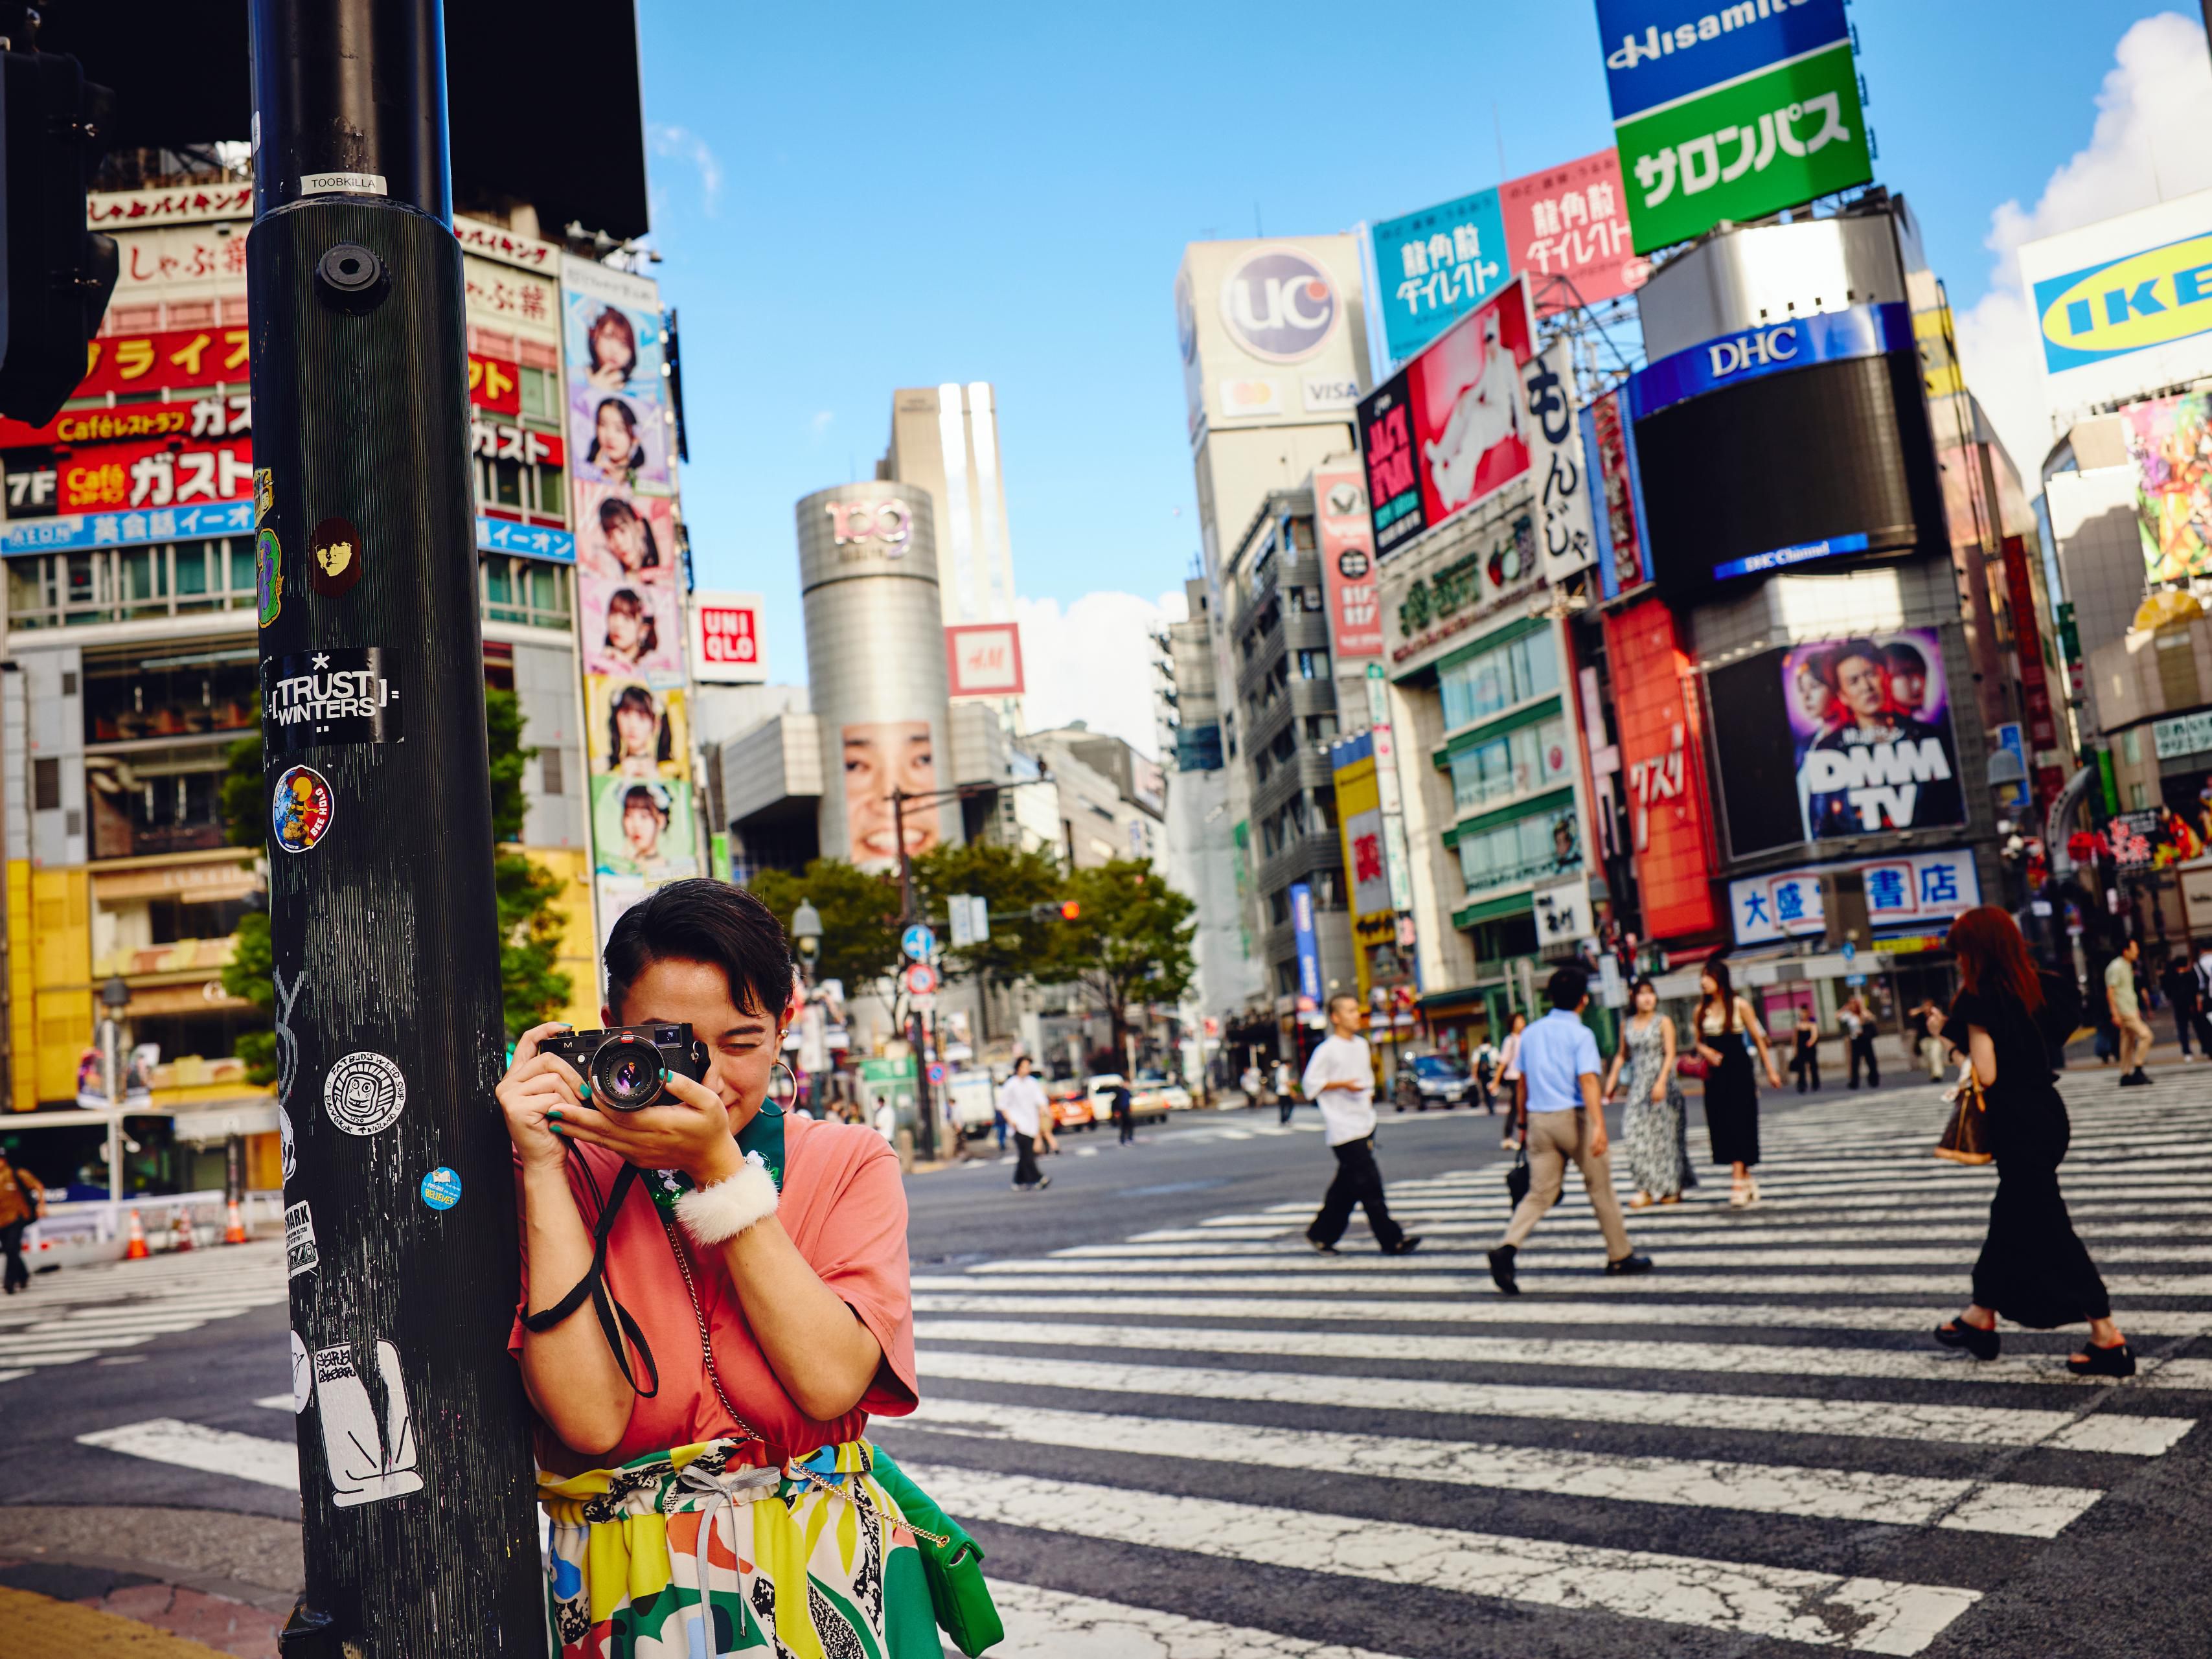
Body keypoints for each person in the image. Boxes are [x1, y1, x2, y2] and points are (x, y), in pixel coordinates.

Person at [495, 880, 941, 1654]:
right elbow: (589, 1421)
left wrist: (721, 1173)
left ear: (783, 1026)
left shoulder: (845, 1161)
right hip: (634, 1595)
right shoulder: (562, 1170)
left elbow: (832, 1381)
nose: (705, 1081)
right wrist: (538, 1165)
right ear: (610, 1031)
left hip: (826, 1578)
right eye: (672, 1045)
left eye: (740, 1043)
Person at [1930, 906, 2132, 1377]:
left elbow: (1986, 1073)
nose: (1960, 961)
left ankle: (2107, 1336)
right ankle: (1979, 1315)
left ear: (1974, 951)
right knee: (2009, 1216)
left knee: (2050, 1227)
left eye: (1962, 951)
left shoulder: (1978, 998)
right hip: (2047, 1113)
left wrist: (1949, 1040)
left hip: (2016, 1124)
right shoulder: (2037, 986)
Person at [1488, 968, 1651, 1294]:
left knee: (1539, 1194)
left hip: (1538, 1119)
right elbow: (1588, 1080)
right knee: (1600, 1187)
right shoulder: (1581, 1035)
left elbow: (1522, 1083)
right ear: (1583, 1000)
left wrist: (1522, 1123)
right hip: (1573, 1118)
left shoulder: (1530, 1034)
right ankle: (1619, 1255)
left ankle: (1507, 1248)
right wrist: (1599, 1126)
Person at [1303, 994, 1419, 1257]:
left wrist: (1366, 1100)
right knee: (1370, 1185)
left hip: (1365, 1123)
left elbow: (1366, 1082)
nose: (1357, 1015)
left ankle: (1320, 1234)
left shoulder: (1362, 1046)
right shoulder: (1327, 1050)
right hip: (1343, 1129)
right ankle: (1392, 1240)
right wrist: (1342, 1084)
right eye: (1351, 1011)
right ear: (1336, 1017)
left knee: (1347, 1187)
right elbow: (1310, 1086)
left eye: (1357, 1010)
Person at [1694, 958, 1781, 1207]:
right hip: (1715, 1074)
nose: (1704, 981)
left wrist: (1771, 1071)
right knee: (1721, 1124)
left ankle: (1737, 1183)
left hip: (1739, 1070)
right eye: (1703, 976)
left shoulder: (1740, 1005)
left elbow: (1758, 1038)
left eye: (1708, 976)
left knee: (1740, 1122)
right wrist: (1706, 1052)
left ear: (1720, 979)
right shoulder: (1701, 1010)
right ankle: (1747, 1179)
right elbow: (1698, 1040)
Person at [1602, 976, 1694, 1207]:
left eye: (1651, 993)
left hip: (1664, 1084)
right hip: (1639, 1086)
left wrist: (1662, 1081)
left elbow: (1671, 1053)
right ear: (1633, 997)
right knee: (1634, 1134)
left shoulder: (1663, 1022)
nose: (1647, 998)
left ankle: (1671, 1187)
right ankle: (1644, 1187)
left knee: (1666, 1138)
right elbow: (1623, 1054)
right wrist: (1612, 1079)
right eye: (1642, 993)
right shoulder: (1628, 1023)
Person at [996, 1057, 1050, 1192]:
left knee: (1024, 1155)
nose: (1027, 1069)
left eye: (1029, 1066)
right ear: (1018, 1067)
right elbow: (1002, 1105)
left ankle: (1018, 1181)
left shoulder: (1032, 1082)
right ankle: (1038, 1178)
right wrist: (1011, 1120)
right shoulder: (1011, 1084)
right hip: (1018, 1125)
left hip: (1031, 1124)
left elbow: (1040, 1100)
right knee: (1027, 1154)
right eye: (1024, 1066)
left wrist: (1044, 1110)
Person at [2105, 937, 2152, 1086]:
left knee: (2127, 1042)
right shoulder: (2117, 967)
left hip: (2129, 1008)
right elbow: (2111, 991)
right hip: (2124, 1010)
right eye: (2134, 949)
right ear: (2126, 951)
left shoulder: (2126, 966)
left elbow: (2126, 990)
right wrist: (2115, 1013)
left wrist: (2135, 1008)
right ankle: (2138, 1068)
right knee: (2146, 1035)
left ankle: (2125, 1074)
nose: (2137, 952)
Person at [0, 1143, 44, 1294]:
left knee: (12, 1248)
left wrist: (41, 1207)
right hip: (1, 1221)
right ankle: (23, 1275)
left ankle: (9, 1283)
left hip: (16, 1217)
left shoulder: (16, 1174)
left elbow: (37, 1186)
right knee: (9, 1250)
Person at [606, 683, 672, 777]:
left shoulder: (670, 770)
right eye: (626, 714)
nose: (632, 725)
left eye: (641, 717)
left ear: (655, 724)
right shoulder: (603, 767)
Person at [601, 589, 661, 673]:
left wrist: (625, 665)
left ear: (643, 630)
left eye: (627, 618)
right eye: (613, 614)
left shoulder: (655, 663)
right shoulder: (601, 662)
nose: (617, 624)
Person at [583, 305, 639, 391]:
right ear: (595, 336)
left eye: (624, 344)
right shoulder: (578, 376)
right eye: (608, 337)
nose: (615, 350)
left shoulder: (640, 388)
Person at [588, 397, 644, 481]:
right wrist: (595, 474)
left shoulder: (645, 476)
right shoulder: (585, 472)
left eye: (619, 429)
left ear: (635, 438)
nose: (610, 436)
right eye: (603, 424)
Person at [2160, 952, 2201, 1060]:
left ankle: (2189, 1051)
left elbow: (2167, 991)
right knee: (2191, 1028)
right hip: (2187, 1005)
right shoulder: (2187, 975)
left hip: (2182, 1006)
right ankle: (2192, 1050)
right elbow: (2196, 989)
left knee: (2186, 1029)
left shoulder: (2172, 976)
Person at [1497, 1011, 1527, 1150]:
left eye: (1522, 1020)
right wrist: (1495, 1081)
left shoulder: (1526, 1038)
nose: (1522, 1023)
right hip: (1514, 1077)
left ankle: (1525, 1136)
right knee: (1517, 1107)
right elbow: (1503, 1062)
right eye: (1519, 1021)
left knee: (1525, 1107)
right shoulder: (1510, 1041)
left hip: (1526, 1076)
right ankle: (1508, 1136)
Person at [1842, 994, 1881, 1089]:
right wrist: (1845, 1008)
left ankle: (1874, 1080)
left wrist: (1862, 1007)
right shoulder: (1849, 1015)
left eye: (1855, 1004)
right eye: (1852, 1004)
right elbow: (1838, 1016)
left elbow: (1872, 1017)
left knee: (1871, 1061)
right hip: (1855, 1040)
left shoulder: (1863, 1013)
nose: (1853, 1006)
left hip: (1865, 1039)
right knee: (1855, 1062)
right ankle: (1854, 1082)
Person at [1908, 999, 1947, 1080]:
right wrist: (1922, 1009)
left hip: (1935, 1039)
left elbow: (1943, 1020)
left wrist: (1937, 1013)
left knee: (1935, 1056)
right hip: (1924, 1040)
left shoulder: (1935, 1015)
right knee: (1929, 1058)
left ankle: (1938, 1074)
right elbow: (1911, 1013)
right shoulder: (1921, 1015)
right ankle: (1933, 1073)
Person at [1790, 1016, 1821, 1093]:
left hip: (1810, 1048)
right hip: (1801, 1048)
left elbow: (1815, 1035)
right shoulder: (1798, 1025)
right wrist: (1795, 1048)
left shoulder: (1812, 1025)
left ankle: (1815, 1084)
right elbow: (1795, 1037)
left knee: (1813, 1067)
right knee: (1801, 1068)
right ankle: (1802, 1085)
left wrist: (1811, 1042)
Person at [1472, 1036, 1500, 1114]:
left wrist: (1474, 1074)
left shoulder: (1478, 1050)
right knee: (1493, 1089)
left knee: (1485, 1089)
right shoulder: (1493, 1050)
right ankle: (1492, 1105)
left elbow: (1475, 1064)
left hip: (1482, 1074)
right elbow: (1498, 1062)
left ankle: (1489, 1106)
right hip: (1492, 1073)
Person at [1109, 1077, 1134, 1145]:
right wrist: (1116, 1111)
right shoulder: (1120, 1091)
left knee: (1126, 1125)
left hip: (1126, 1110)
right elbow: (1116, 1102)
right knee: (1127, 1124)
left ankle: (1125, 1139)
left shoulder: (1127, 1092)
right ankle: (1127, 1139)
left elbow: (1129, 1100)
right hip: (1122, 1111)